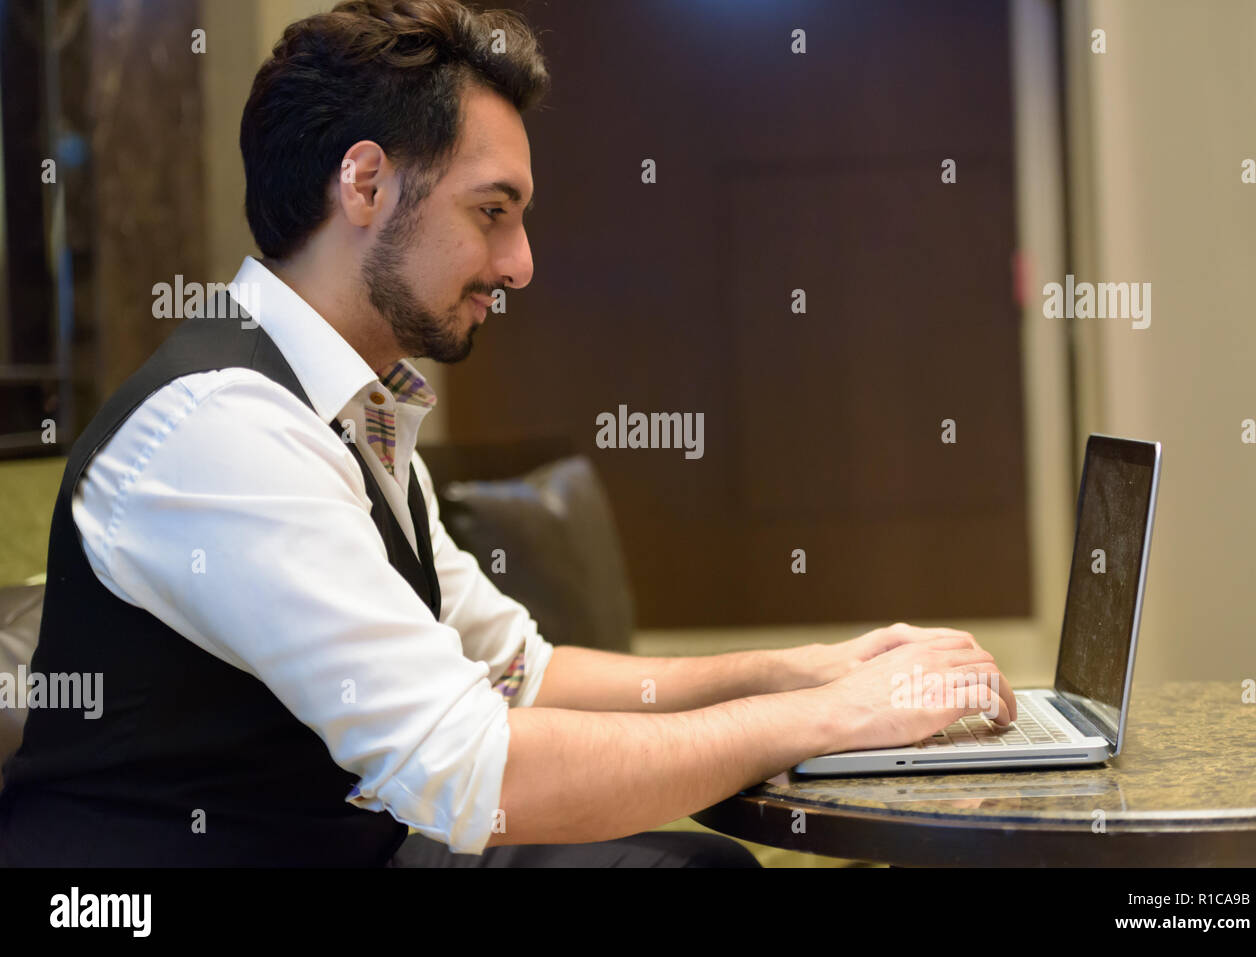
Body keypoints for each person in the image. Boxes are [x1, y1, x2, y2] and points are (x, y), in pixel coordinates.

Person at [0, 0, 1015, 867]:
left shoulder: (356, 408)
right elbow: (472, 770)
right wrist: (838, 720)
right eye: (492, 211)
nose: (520, 262)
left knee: (681, 864)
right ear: (364, 184)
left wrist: (805, 670)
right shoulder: (221, 430)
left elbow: (519, 672)